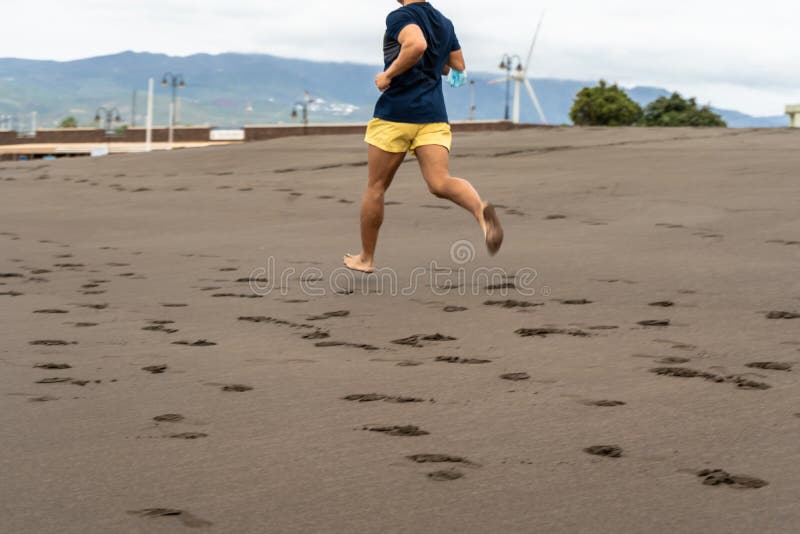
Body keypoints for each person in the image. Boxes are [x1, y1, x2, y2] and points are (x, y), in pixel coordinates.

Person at [343, 0, 503, 274]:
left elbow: (416, 45)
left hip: (396, 114)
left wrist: (388, 74)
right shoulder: (443, 22)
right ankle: (480, 212)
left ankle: (366, 258)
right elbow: (457, 65)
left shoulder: (400, 16)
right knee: (440, 182)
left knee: (376, 187)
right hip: (433, 116)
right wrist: (435, 64)